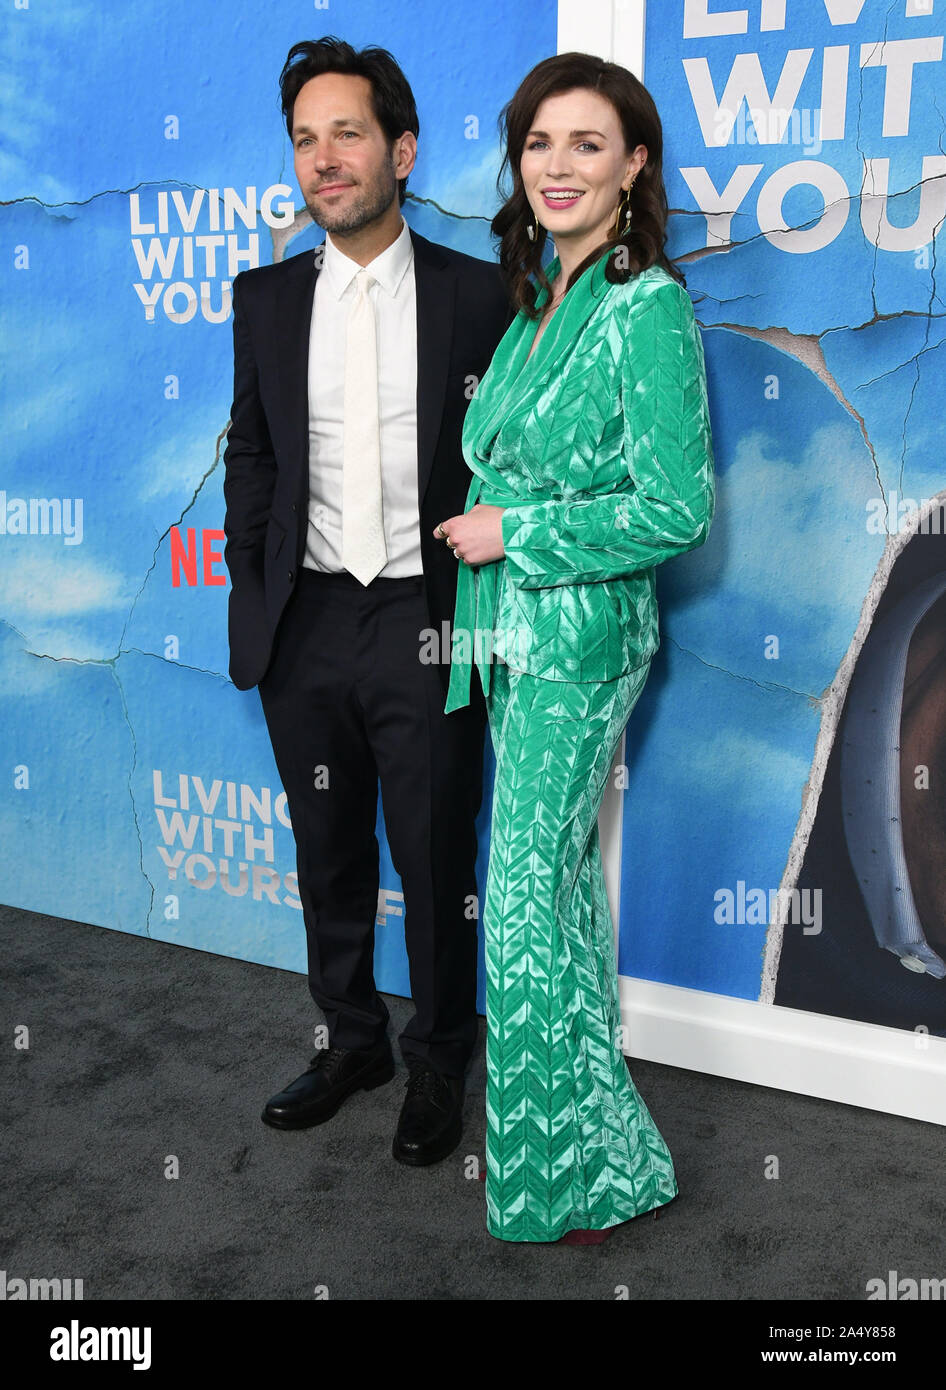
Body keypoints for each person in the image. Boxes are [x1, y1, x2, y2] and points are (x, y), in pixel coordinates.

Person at [436, 52, 715, 1242]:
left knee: (522, 906)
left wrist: (517, 530)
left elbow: (675, 507)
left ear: (633, 163)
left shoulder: (643, 304)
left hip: (579, 641)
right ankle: (607, 1160)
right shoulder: (541, 295)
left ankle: (559, 1173)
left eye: (587, 144)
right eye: (541, 143)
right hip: (510, 634)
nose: (558, 166)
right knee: (551, 893)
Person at [223, 37, 510, 1166]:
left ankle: (440, 1053)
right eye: (304, 138)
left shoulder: (478, 294)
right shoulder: (262, 298)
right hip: (305, 619)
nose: (323, 159)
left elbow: (509, 459)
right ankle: (353, 1039)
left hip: (423, 614)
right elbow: (252, 451)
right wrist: (258, 581)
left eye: (347, 133)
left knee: (436, 852)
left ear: (401, 150)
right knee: (325, 844)